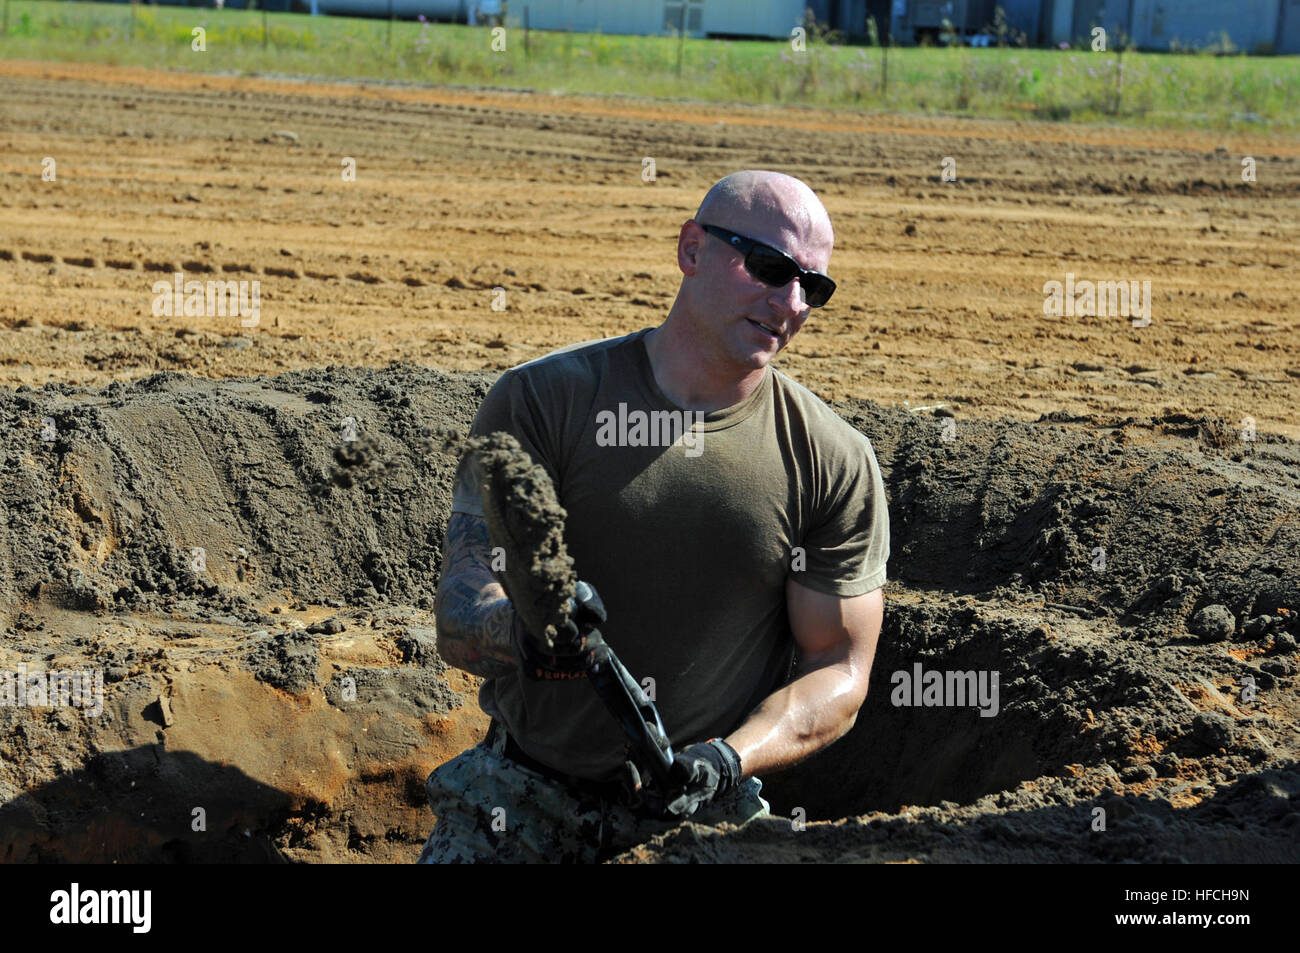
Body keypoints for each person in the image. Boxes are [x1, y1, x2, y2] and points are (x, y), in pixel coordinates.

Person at [418, 170, 889, 863]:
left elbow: (840, 668)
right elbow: (459, 611)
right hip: (522, 793)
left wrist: (729, 759)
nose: (789, 302)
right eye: (769, 268)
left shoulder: (832, 459)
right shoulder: (545, 401)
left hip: (703, 816)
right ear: (691, 249)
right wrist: (531, 634)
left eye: (812, 287)